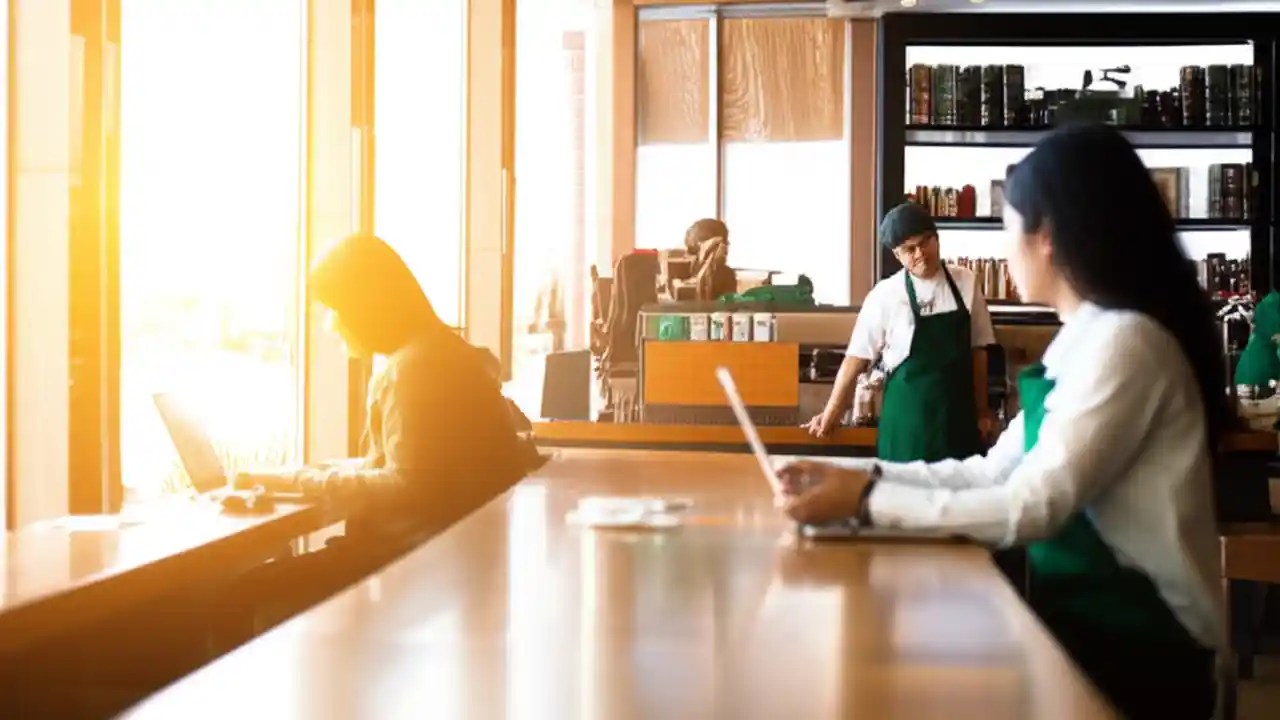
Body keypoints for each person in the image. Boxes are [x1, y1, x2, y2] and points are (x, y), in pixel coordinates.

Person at [778, 125, 1226, 719]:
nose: (1002, 244)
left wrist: (864, 496)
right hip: (1089, 621)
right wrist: (849, 471)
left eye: (1006, 224)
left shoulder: (1127, 343)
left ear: (1046, 236)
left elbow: (1030, 506)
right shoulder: (1084, 338)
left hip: (1149, 644)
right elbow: (994, 472)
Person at [224, 235, 531, 634]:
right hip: (449, 558)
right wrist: (286, 477)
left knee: (238, 594)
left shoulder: (410, 370)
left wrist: (297, 480)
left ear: (364, 307)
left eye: (334, 311)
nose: (329, 325)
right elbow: (400, 463)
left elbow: (406, 483)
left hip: (407, 561)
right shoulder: (446, 353)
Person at [805, 202, 996, 463]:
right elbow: (856, 358)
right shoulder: (885, 295)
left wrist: (983, 411)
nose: (920, 253)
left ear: (936, 238)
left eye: (925, 242)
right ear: (897, 255)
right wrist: (832, 411)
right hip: (907, 426)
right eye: (909, 249)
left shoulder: (966, 282)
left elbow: (978, 350)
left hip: (958, 424)